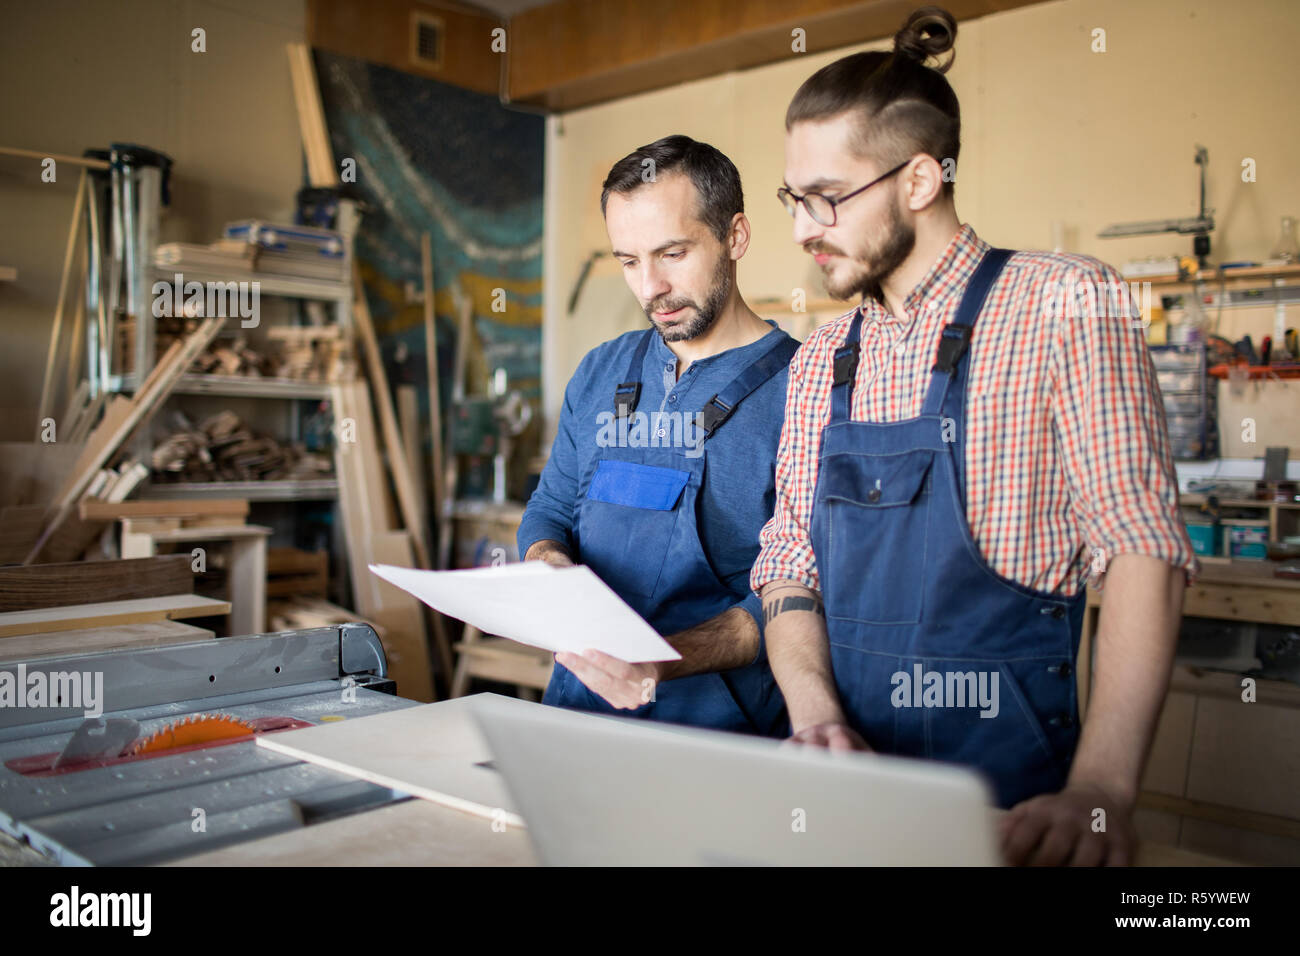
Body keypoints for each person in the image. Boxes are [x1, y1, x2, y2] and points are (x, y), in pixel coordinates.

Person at [752, 6, 1195, 864]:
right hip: (849, 801)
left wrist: (1100, 792)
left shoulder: (1065, 303)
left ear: (919, 181)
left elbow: (1142, 545)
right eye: (793, 200)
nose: (804, 228)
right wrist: (815, 722)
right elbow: (786, 563)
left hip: (1016, 807)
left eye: (827, 199)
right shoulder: (822, 360)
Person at [519, 135, 798, 735]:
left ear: (735, 236)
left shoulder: (804, 388)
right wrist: (548, 564)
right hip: (580, 710)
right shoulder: (601, 370)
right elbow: (550, 507)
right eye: (628, 261)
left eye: (671, 254)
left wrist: (661, 661)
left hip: (721, 732)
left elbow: (800, 594)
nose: (649, 289)